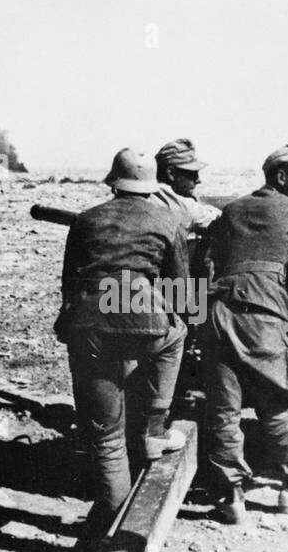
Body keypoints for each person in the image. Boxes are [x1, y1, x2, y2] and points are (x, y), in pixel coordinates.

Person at [53, 148, 191, 528]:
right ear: (151, 185)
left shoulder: (86, 220)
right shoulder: (168, 220)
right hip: (141, 320)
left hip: (88, 327)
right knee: (178, 332)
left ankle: (111, 520)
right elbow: (181, 288)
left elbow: (70, 281)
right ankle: (154, 426)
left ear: (113, 182)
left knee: (106, 437)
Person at [203, 142, 288, 523]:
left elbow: (207, 259)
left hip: (217, 314)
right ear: (280, 176)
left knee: (225, 409)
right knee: (280, 402)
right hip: (263, 316)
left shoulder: (233, 209)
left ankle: (232, 498)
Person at [152, 138, 221, 233]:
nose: (198, 180)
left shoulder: (154, 191)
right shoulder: (167, 197)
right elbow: (210, 218)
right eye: (192, 174)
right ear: (171, 173)